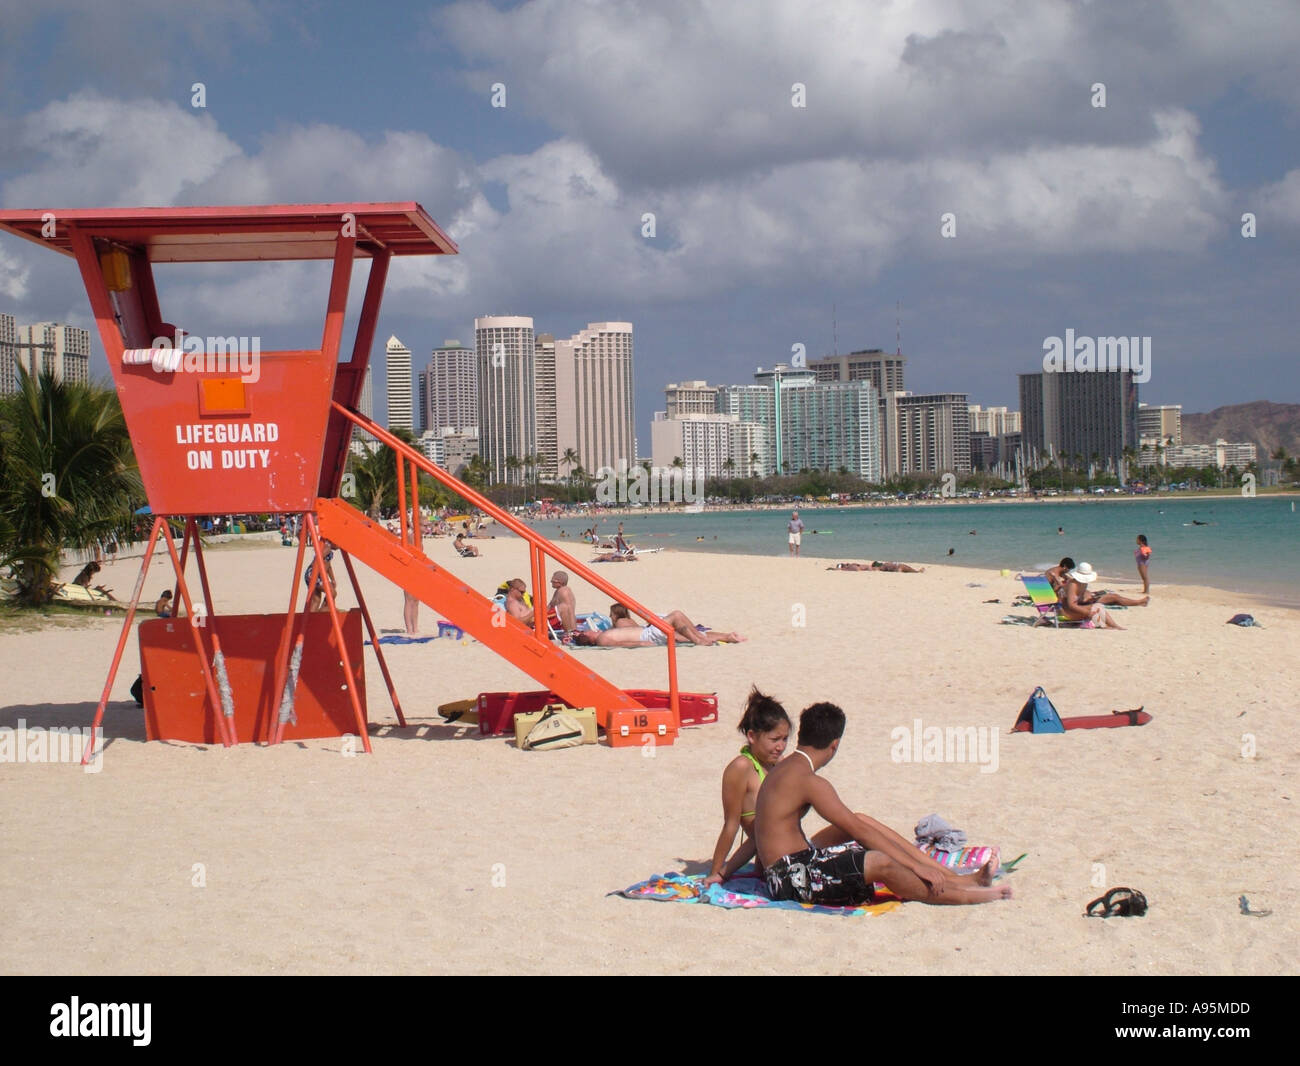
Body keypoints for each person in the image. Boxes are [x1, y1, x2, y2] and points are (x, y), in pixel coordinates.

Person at [756, 702, 1010, 906]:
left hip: (786, 866)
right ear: (834, 745)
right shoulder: (809, 781)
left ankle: (955, 878)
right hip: (790, 879)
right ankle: (966, 892)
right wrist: (915, 866)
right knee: (879, 861)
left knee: (861, 819)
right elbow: (859, 833)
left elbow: (856, 825)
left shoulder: (785, 768)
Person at [705, 688, 792, 886]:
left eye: (785, 739)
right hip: (765, 846)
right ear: (752, 736)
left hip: (778, 850)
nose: (780, 746)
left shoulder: (778, 763)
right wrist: (717, 872)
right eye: (774, 740)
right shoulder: (741, 768)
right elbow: (731, 825)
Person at [575, 602, 743, 646]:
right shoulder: (602, 639)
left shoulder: (606, 633)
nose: (589, 630)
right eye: (586, 633)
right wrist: (642, 644)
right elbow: (623, 643)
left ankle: (727, 636)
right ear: (588, 639)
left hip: (648, 631)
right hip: (648, 635)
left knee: (684, 630)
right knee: (676, 615)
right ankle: (700, 640)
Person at [1059, 563, 1125, 628]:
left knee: (1098, 606)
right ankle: (1112, 626)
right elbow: (1071, 605)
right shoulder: (1073, 584)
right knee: (1097, 607)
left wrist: (1090, 600)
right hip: (1065, 613)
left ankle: (1110, 625)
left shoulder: (1083, 583)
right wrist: (1088, 613)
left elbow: (1079, 600)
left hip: (1072, 610)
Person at [305, 540, 337, 611]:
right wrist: (317, 573)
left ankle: (312, 617)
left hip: (311, 574)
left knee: (316, 600)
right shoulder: (327, 548)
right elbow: (318, 558)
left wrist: (332, 579)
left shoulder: (329, 549)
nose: (340, 547)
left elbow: (329, 566)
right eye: (339, 544)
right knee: (332, 593)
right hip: (315, 574)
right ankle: (322, 612)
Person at [548, 570, 578, 636]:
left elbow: (570, 611)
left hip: (563, 625)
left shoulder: (563, 592)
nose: (551, 581)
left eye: (553, 580)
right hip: (559, 620)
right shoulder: (559, 590)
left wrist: (572, 630)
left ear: (560, 582)